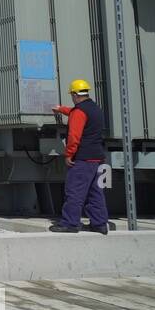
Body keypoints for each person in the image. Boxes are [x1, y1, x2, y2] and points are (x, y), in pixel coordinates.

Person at [49, 79, 109, 234]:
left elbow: (74, 136)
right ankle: (100, 224)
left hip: (82, 159)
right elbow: (76, 112)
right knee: (96, 192)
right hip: (98, 158)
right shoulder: (95, 109)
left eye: (72, 95)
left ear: (75, 94)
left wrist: (69, 155)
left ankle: (70, 223)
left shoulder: (79, 112)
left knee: (74, 191)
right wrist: (62, 109)